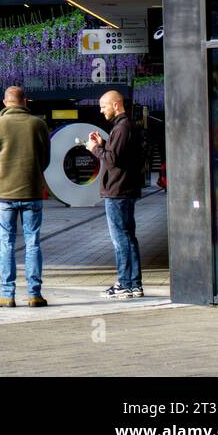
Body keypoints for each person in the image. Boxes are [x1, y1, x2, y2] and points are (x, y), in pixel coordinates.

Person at [0, 86, 50, 308]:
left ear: (4, 102)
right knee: (33, 242)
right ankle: (34, 294)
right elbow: (45, 158)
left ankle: (7, 295)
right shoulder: (38, 124)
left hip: (4, 193)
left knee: (6, 243)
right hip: (32, 191)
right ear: (25, 101)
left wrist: (0, 173)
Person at [88, 91, 145, 299]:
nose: (101, 110)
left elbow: (112, 161)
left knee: (120, 239)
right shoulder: (127, 127)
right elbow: (120, 155)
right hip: (126, 189)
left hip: (117, 191)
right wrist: (104, 144)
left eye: (104, 106)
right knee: (129, 237)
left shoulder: (121, 128)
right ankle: (134, 284)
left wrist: (95, 149)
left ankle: (124, 283)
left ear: (115, 104)